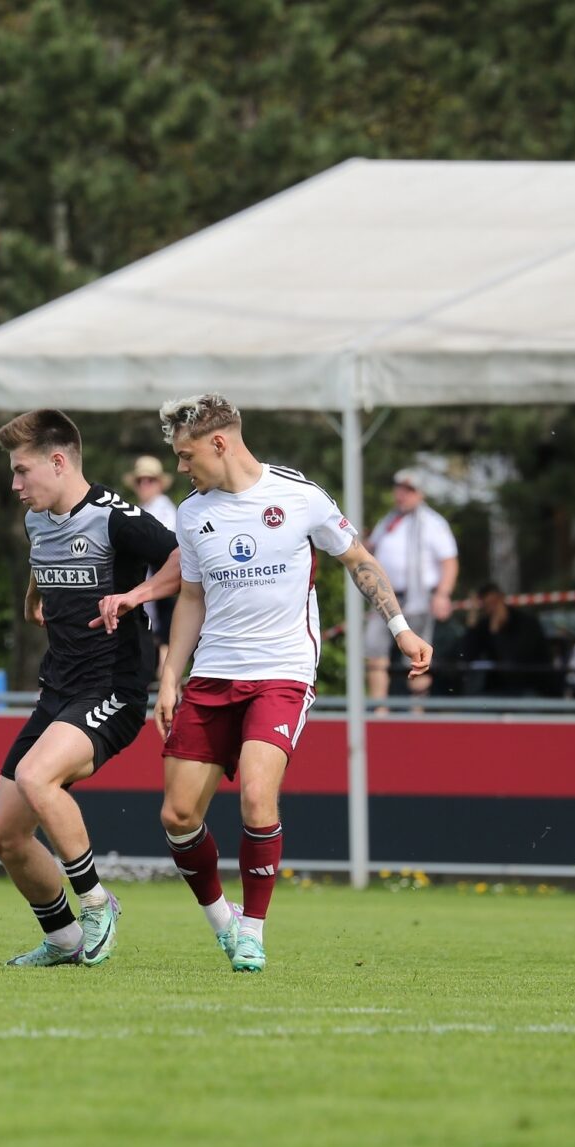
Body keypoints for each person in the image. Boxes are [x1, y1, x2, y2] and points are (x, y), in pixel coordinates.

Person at [154, 394, 430, 973]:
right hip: (212, 673)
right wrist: (171, 675)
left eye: (186, 455)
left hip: (281, 671)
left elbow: (359, 559)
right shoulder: (191, 512)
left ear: (219, 443)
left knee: (257, 795)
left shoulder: (300, 496)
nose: (182, 467)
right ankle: (223, 923)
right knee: (178, 816)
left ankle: (253, 930)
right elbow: (192, 597)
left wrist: (401, 629)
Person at [0, 411, 179, 967]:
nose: (15, 485)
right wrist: (33, 596)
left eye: (22, 472)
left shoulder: (116, 518)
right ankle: (65, 938)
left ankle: (98, 903)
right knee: (5, 835)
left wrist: (135, 598)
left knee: (36, 776)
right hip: (58, 692)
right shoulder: (38, 519)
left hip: (112, 689)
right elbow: (45, 559)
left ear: (59, 461)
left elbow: (184, 560)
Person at [363, 467, 458, 703]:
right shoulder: (388, 521)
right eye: (400, 489)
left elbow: (449, 562)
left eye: (409, 490)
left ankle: (417, 713)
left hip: (416, 600)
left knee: (417, 655)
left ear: (421, 494)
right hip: (384, 597)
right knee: (375, 650)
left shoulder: (433, 523)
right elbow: (370, 551)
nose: (402, 495)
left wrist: (443, 594)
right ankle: (379, 711)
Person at [129, 454, 180, 672]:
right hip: (148, 579)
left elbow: (168, 550)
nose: (145, 485)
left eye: (150, 480)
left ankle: (165, 673)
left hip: (161, 577)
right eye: (141, 480)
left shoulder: (164, 510)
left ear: (159, 483)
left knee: (165, 630)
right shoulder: (143, 509)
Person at [459, 582, 552, 696]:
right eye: (488, 605)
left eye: (494, 603)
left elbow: (514, 662)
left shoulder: (525, 623)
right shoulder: (485, 626)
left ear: (502, 599)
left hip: (528, 686)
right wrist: (472, 624)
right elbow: (465, 656)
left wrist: (497, 635)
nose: (493, 609)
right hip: (495, 689)